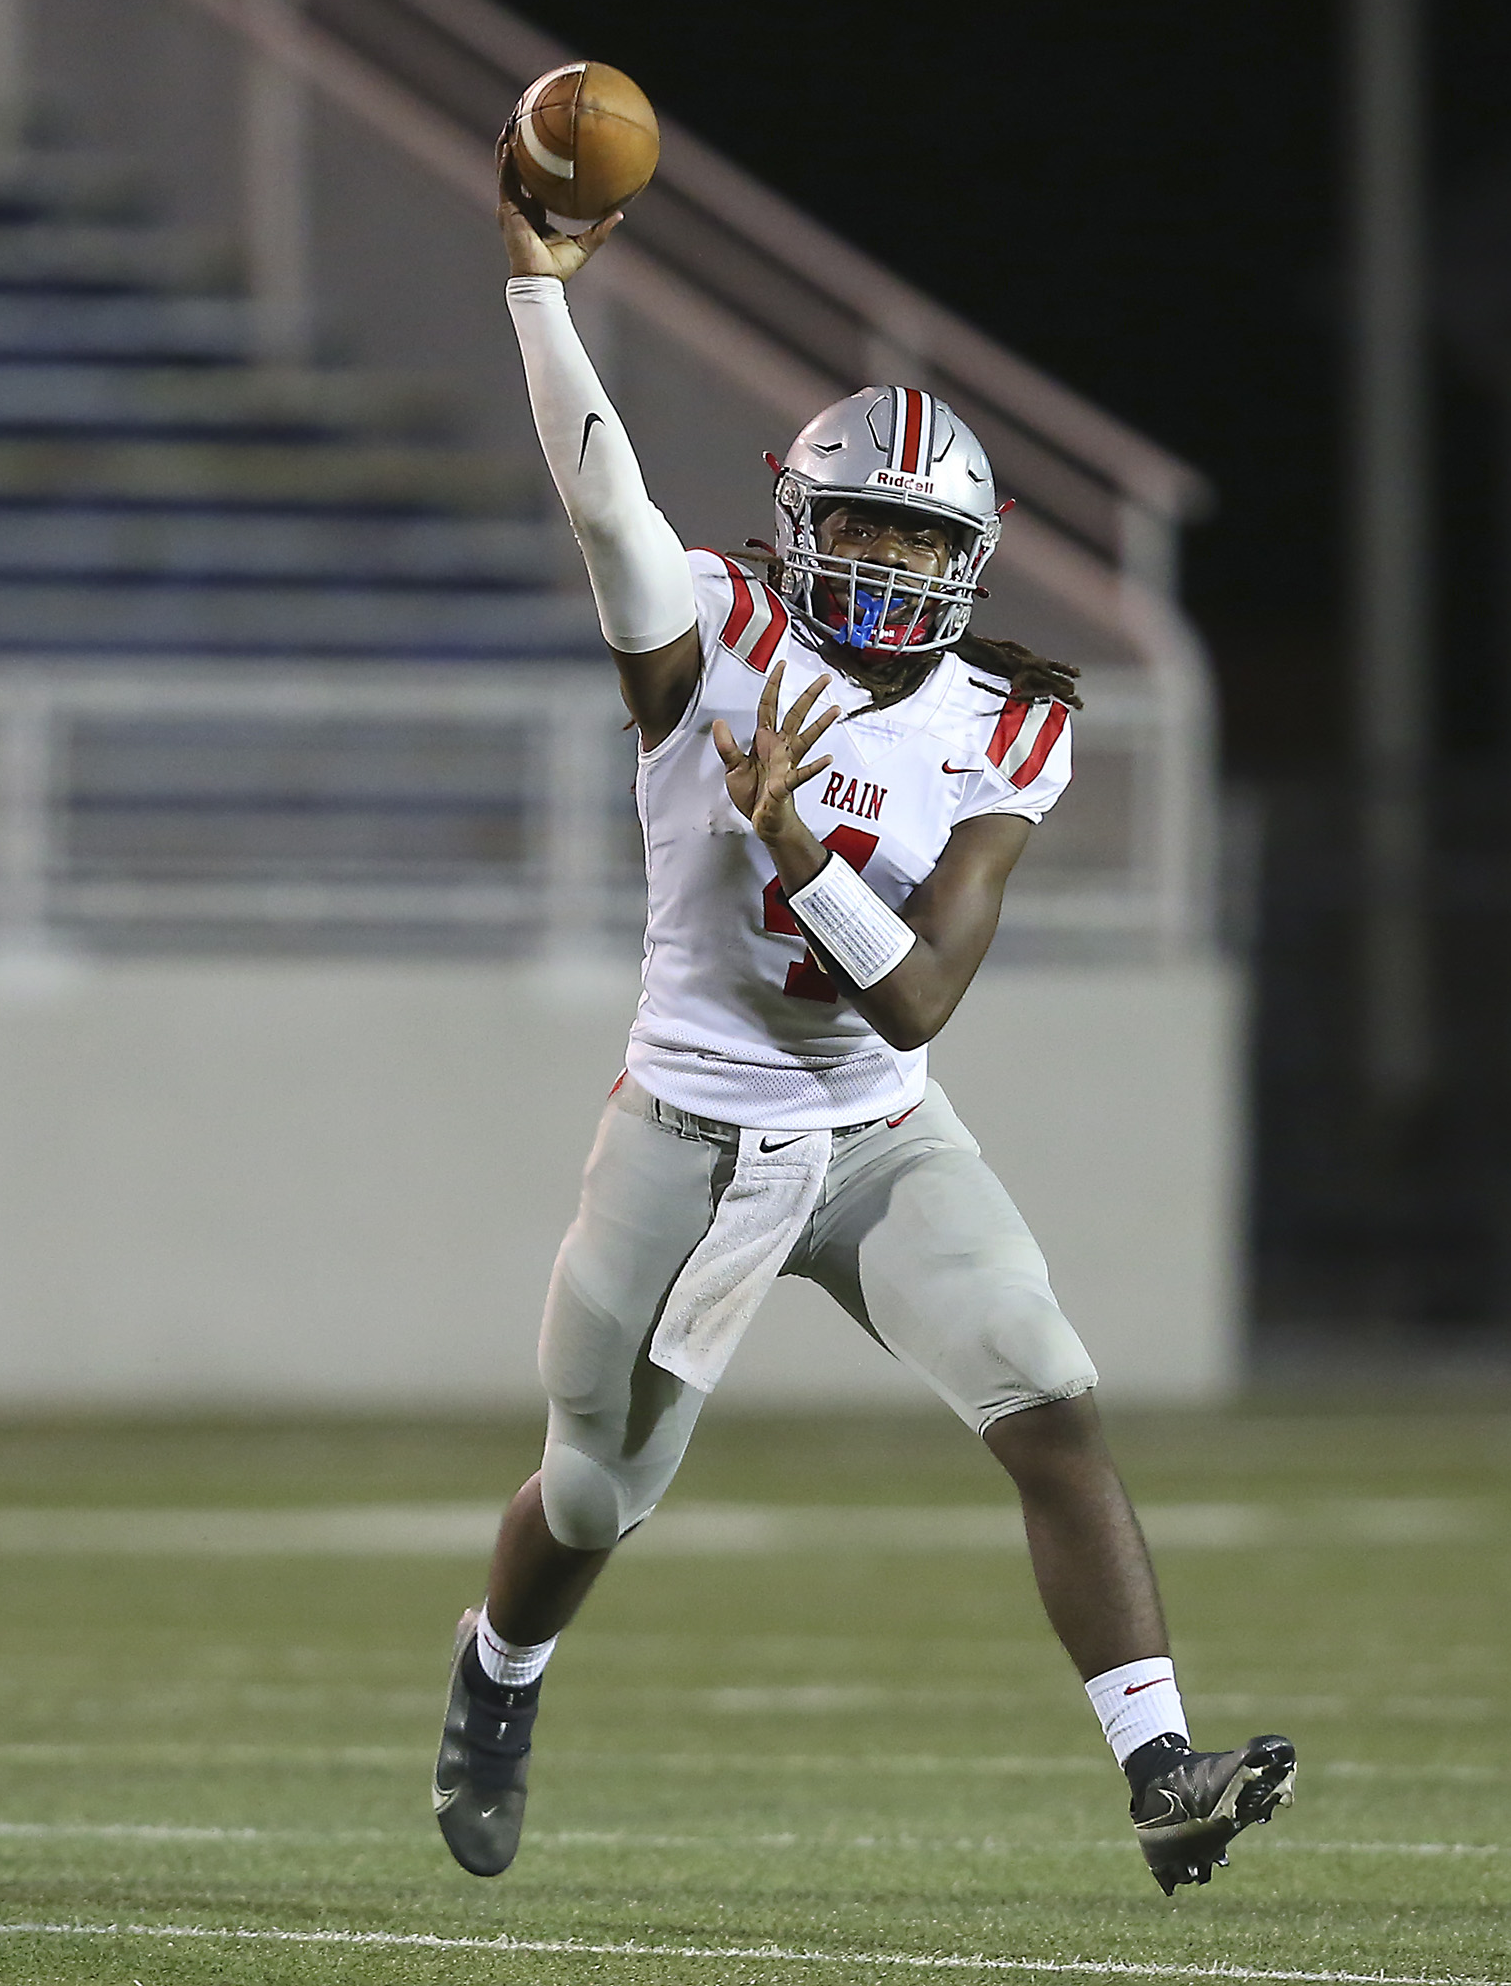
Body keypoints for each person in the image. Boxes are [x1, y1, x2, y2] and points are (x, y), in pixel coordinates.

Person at [432, 150, 1295, 1895]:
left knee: (1048, 1396)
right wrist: (541, 288)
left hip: (882, 1125)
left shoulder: (1007, 723)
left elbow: (915, 993)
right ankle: (498, 1674)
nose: (894, 564)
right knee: (595, 1499)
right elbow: (605, 509)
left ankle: (1157, 1770)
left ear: (970, 559)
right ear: (803, 523)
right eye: (871, 526)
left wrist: (797, 836)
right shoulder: (715, 634)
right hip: (686, 1138)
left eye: (925, 537)